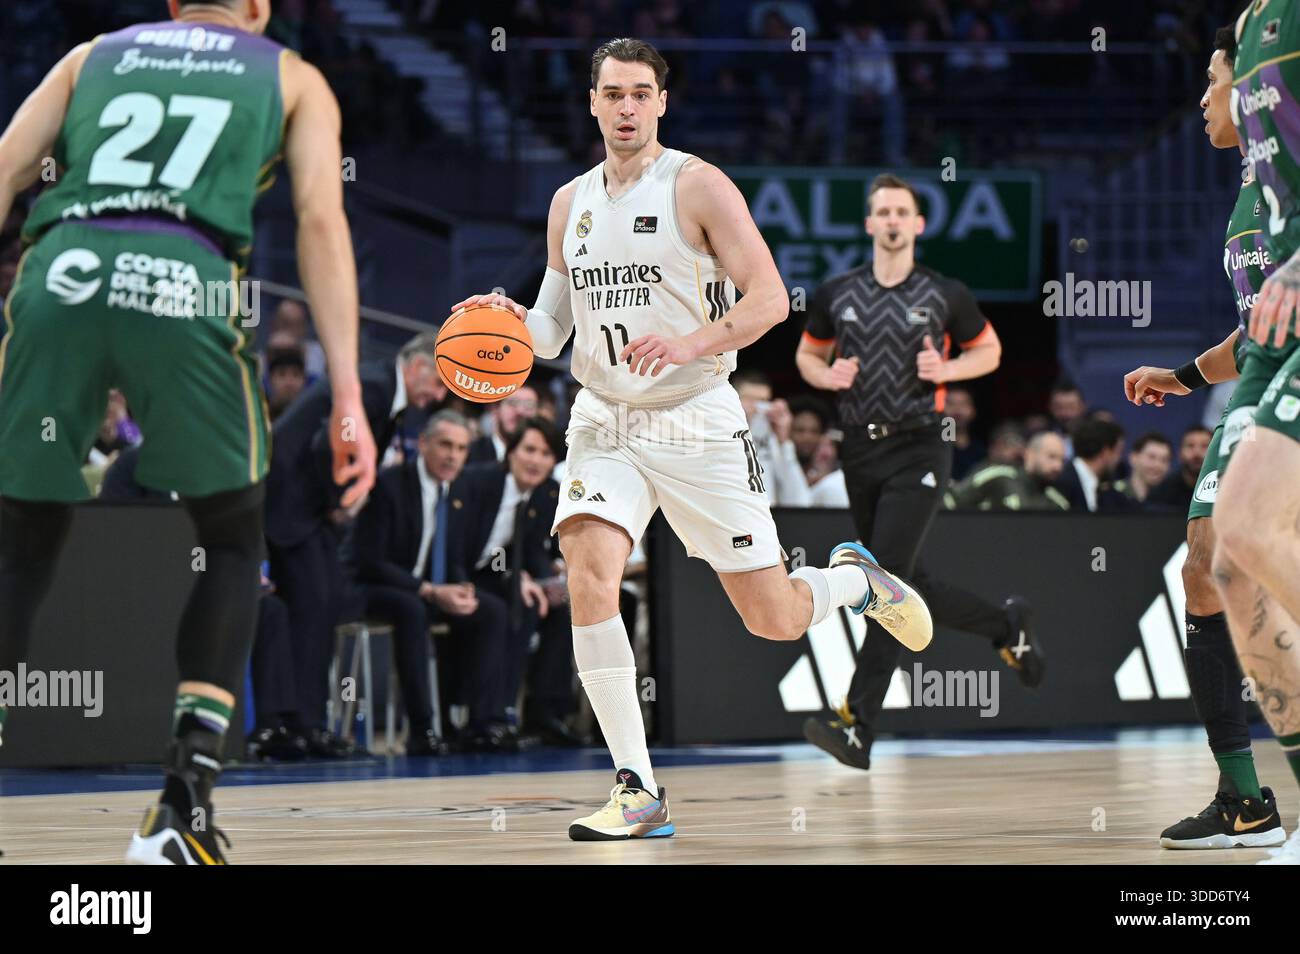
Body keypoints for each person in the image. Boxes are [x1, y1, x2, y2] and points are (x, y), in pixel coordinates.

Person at [451, 37, 933, 840]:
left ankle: (853, 581)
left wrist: (691, 341)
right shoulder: (569, 204)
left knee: (773, 616)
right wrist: (494, 328)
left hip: (696, 413)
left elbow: (773, 297)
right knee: (589, 565)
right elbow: (549, 328)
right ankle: (636, 787)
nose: (628, 108)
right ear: (594, 102)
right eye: (613, 94)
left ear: (662, 102)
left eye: (642, 93)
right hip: (604, 417)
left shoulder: (699, 185)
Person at [0, 0, 377, 864]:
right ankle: (182, 802)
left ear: (172, 5)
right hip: (183, 275)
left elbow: (6, 169)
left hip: (60, 269)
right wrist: (347, 392)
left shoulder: (91, 54)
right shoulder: (291, 75)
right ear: (259, 9)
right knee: (232, 537)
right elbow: (322, 220)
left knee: (19, 544)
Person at [794, 172, 1043, 771]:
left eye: (903, 211)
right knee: (909, 586)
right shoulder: (837, 291)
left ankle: (857, 723)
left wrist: (947, 371)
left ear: (918, 224)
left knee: (881, 582)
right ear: (870, 224)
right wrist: (824, 376)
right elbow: (807, 352)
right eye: (883, 211)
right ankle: (1006, 625)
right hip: (859, 449)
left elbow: (990, 351)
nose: (893, 220)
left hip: (921, 447)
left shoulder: (944, 293)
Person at [1134, 17, 1300, 860]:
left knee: (1238, 550)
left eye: (1213, 81)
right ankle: (1244, 800)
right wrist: (1185, 375)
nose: (1203, 99)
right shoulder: (1249, 188)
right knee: (1207, 564)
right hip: (1262, 374)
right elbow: (1256, 324)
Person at [264, 331, 442, 760]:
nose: (438, 395)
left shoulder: (381, 389)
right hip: (293, 507)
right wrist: (338, 502)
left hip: (307, 511)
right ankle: (300, 727)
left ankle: (302, 724)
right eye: (437, 381)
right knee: (313, 609)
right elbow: (325, 440)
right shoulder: (377, 388)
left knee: (319, 608)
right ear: (416, 365)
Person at [349, 410, 485, 756]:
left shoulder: (458, 490)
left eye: (461, 448)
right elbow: (371, 560)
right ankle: (422, 728)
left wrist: (460, 587)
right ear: (423, 444)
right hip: (369, 586)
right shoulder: (391, 485)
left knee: (488, 611)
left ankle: (481, 722)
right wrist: (428, 590)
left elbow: (453, 554)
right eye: (445, 445)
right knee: (411, 609)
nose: (453, 455)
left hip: (424, 588)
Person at [446, 417, 561, 749]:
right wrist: (460, 584)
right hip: (458, 575)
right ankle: (480, 720)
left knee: (531, 606)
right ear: (510, 452)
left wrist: (536, 577)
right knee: (498, 611)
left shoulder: (544, 493)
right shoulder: (476, 481)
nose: (535, 460)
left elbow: (527, 549)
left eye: (545, 453)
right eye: (529, 449)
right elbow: (453, 543)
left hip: (491, 575)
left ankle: (509, 715)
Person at [733, 369, 812, 506]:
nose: (757, 407)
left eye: (763, 401)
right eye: (750, 399)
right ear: (733, 399)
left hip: (767, 518)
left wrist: (784, 440)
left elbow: (799, 498)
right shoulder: (719, 433)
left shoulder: (772, 439)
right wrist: (746, 425)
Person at [945, 431, 1069, 511]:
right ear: (1030, 453)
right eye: (1051, 457)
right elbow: (951, 499)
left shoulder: (1057, 504)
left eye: (1062, 460)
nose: (1058, 466)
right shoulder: (998, 476)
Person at [1053, 418, 1130, 512]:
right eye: (1118, 452)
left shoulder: (1108, 491)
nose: (1119, 459)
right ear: (1105, 452)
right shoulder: (1061, 482)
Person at [1143, 425, 1211, 513]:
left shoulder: (1223, 489)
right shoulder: (1161, 494)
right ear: (1180, 453)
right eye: (1190, 446)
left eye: (1204, 446)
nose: (1197, 452)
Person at [466, 384, 539, 464]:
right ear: (495, 409)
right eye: (513, 403)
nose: (520, 411)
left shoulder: (544, 461)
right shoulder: (470, 454)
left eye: (529, 405)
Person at [1115, 431, 1172, 505]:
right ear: (1133, 458)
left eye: (1164, 460)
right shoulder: (1113, 494)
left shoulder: (1172, 499)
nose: (1158, 465)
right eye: (1151, 457)